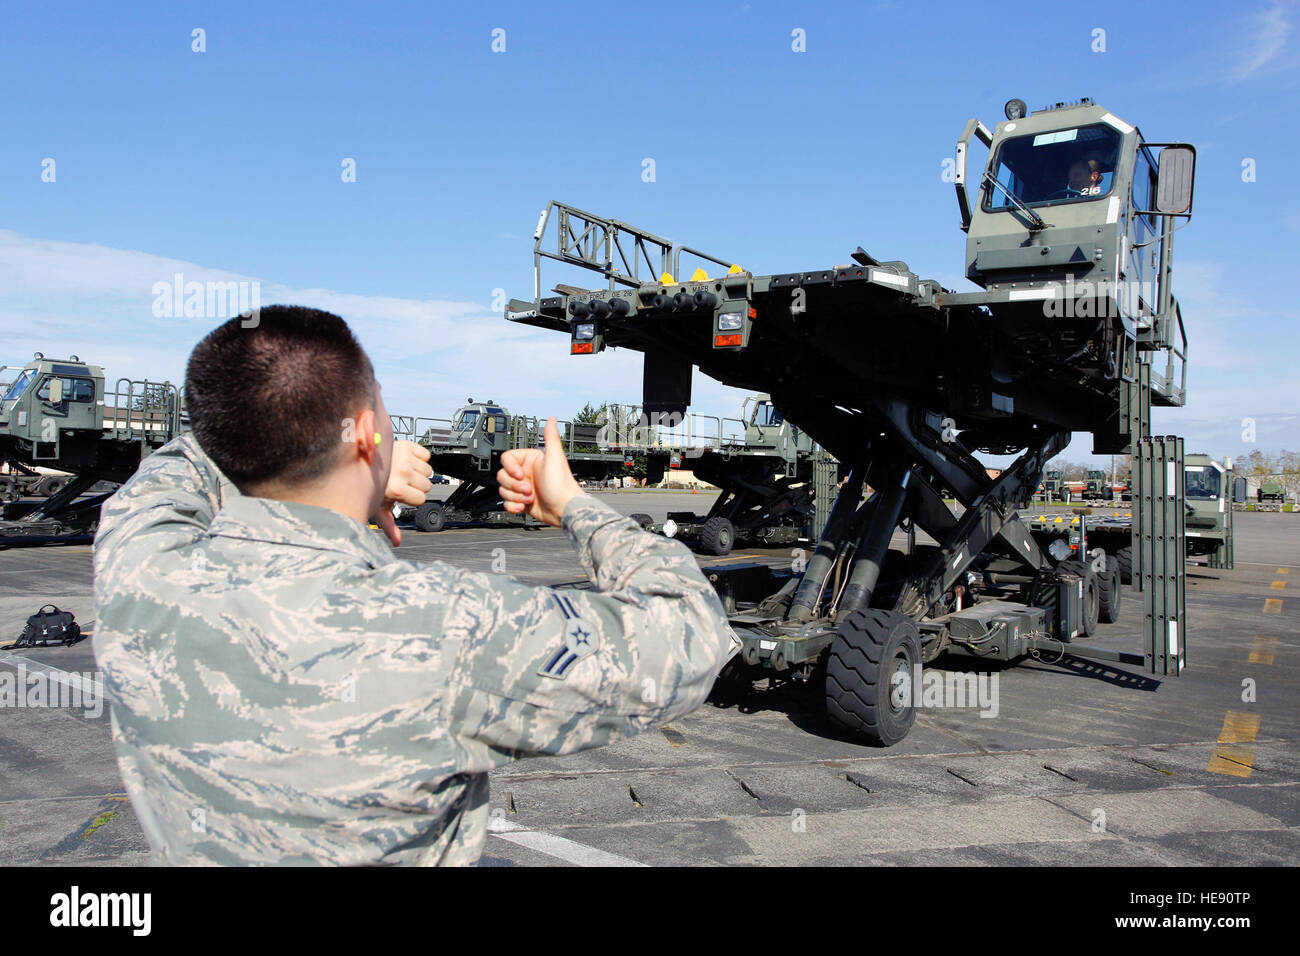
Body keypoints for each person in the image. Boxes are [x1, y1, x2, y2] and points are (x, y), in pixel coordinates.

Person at [92, 305, 737, 866]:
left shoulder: (142, 574)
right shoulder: (445, 626)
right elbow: (690, 632)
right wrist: (573, 504)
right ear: (370, 436)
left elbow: (182, 466)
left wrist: (345, 476)